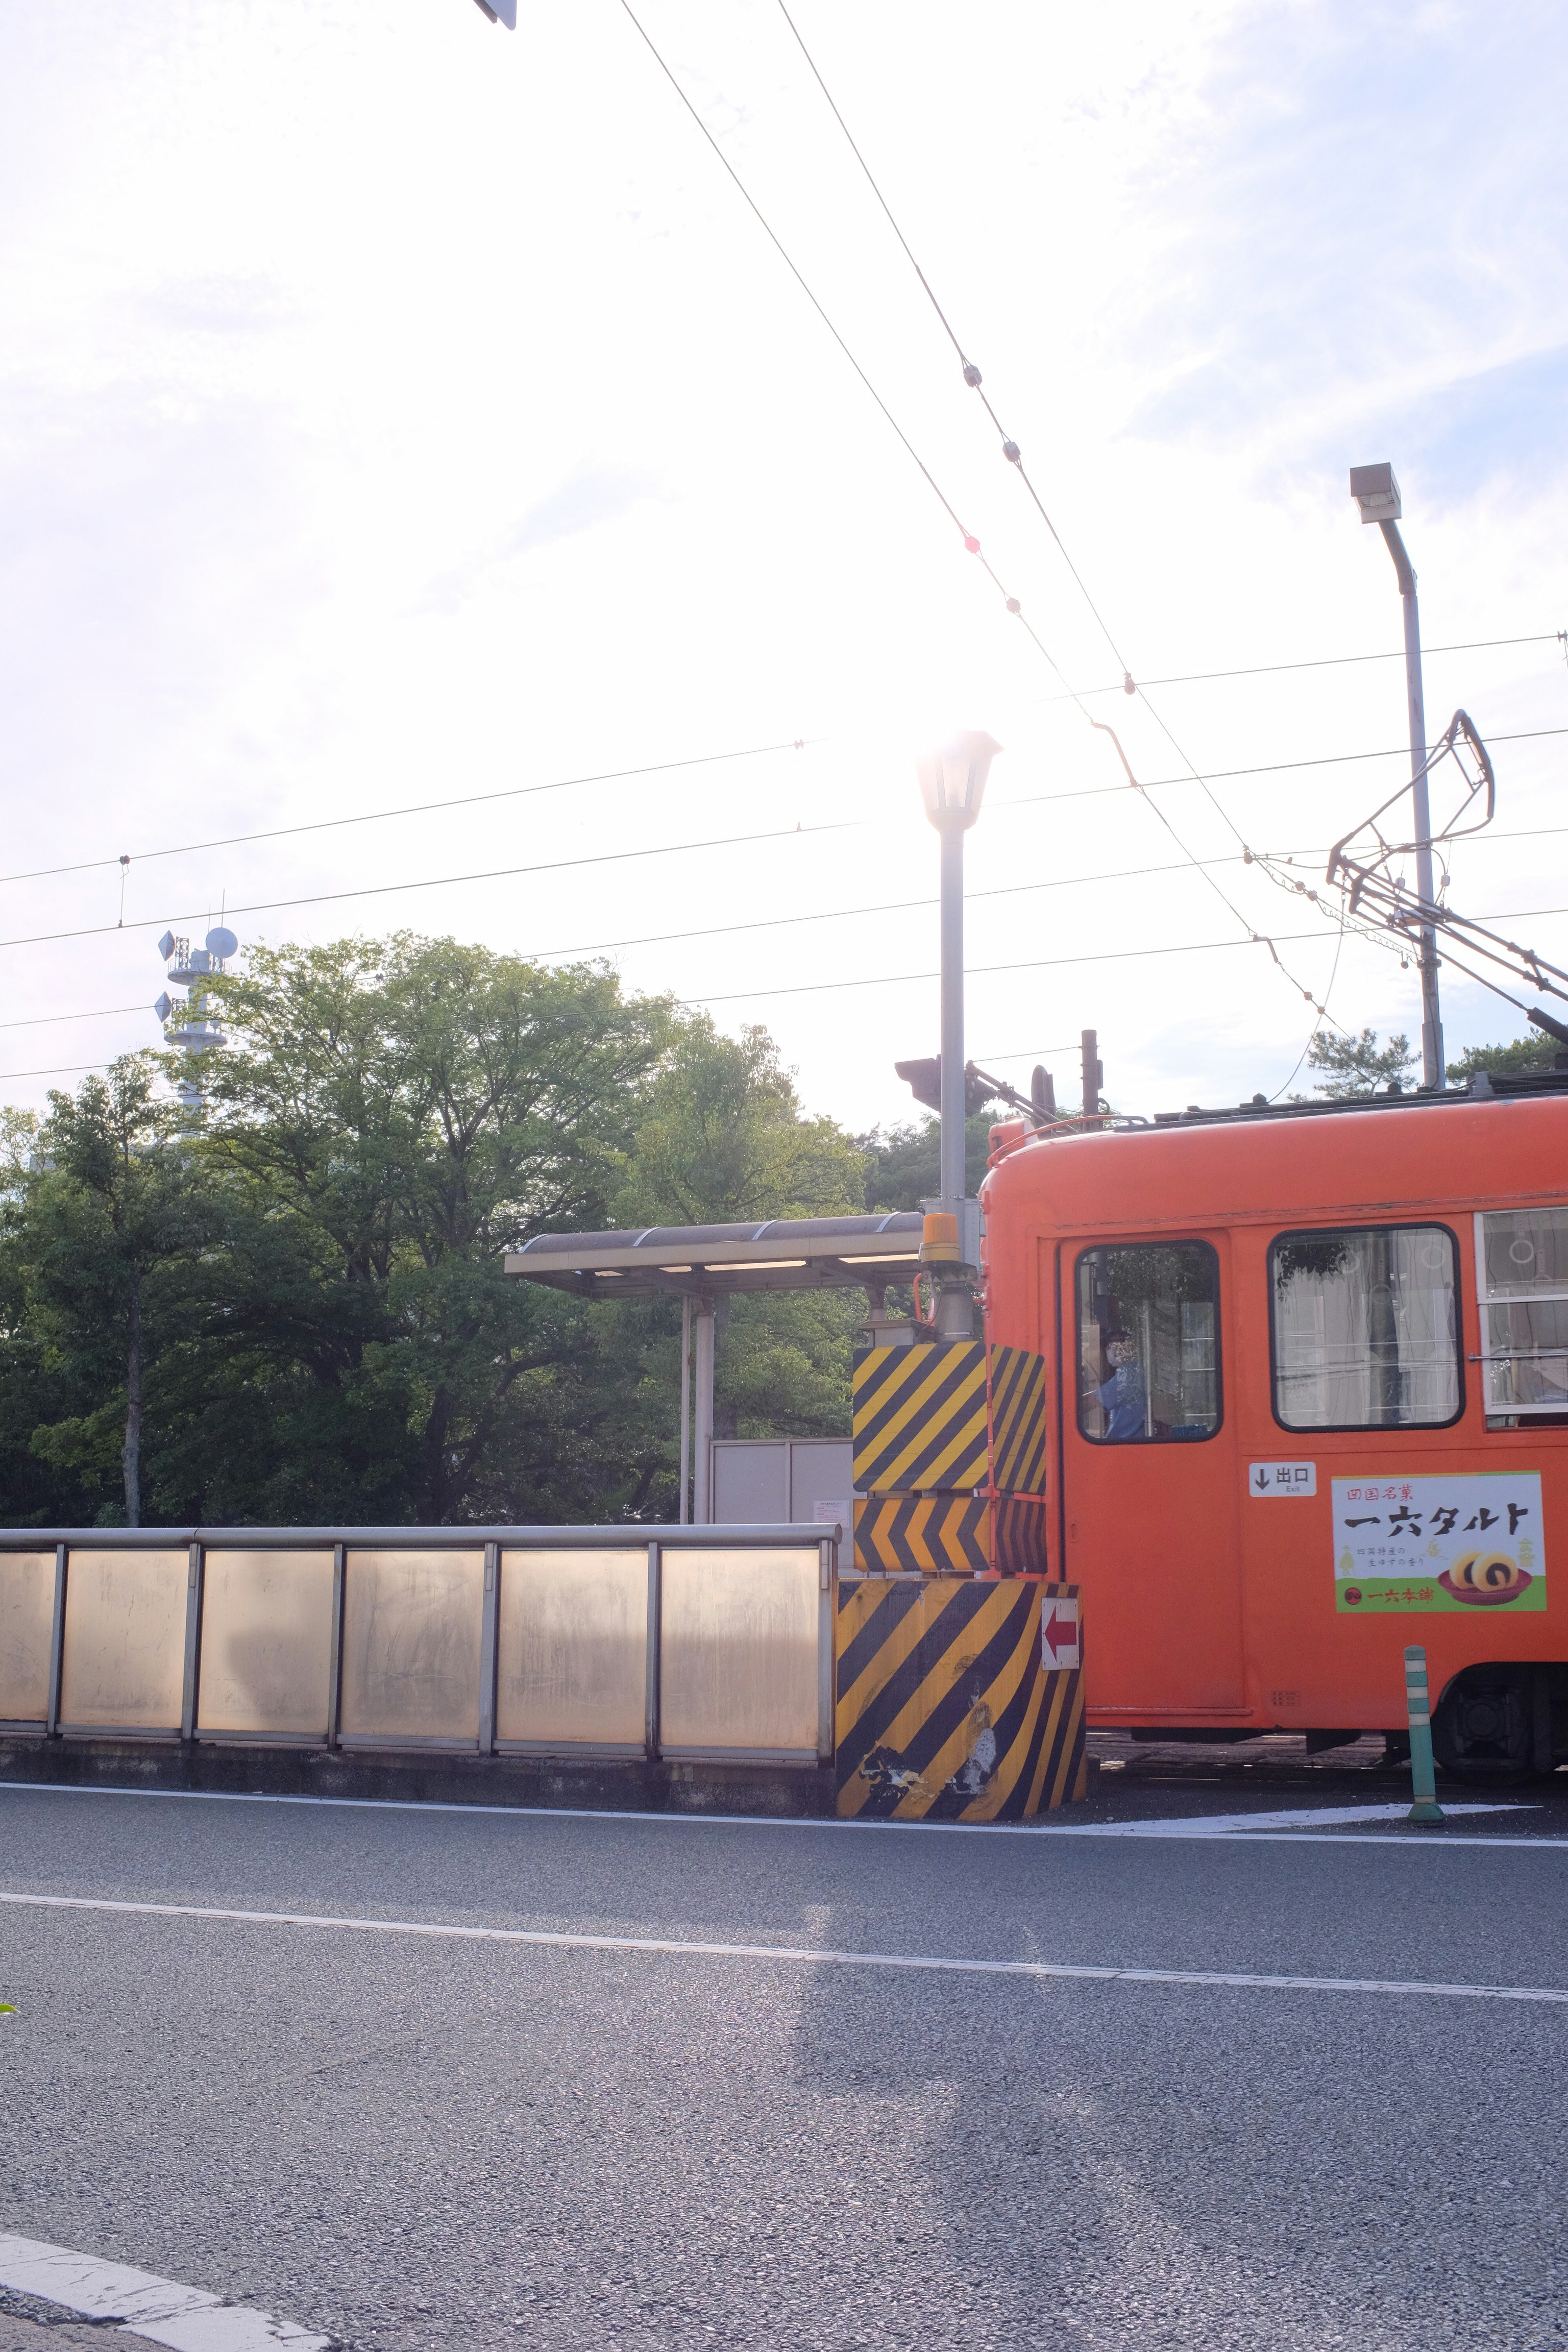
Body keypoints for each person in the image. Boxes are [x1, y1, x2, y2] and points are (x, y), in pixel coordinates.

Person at [1095, 1327, 1147, 1440]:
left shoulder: (1129, 1372)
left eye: (1113, 1345)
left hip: (1127, 1442)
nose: (1109, 1350)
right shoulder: (1135, 1369)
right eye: (1108, 1346)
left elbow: (1093, 1402)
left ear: (1128, 1345)